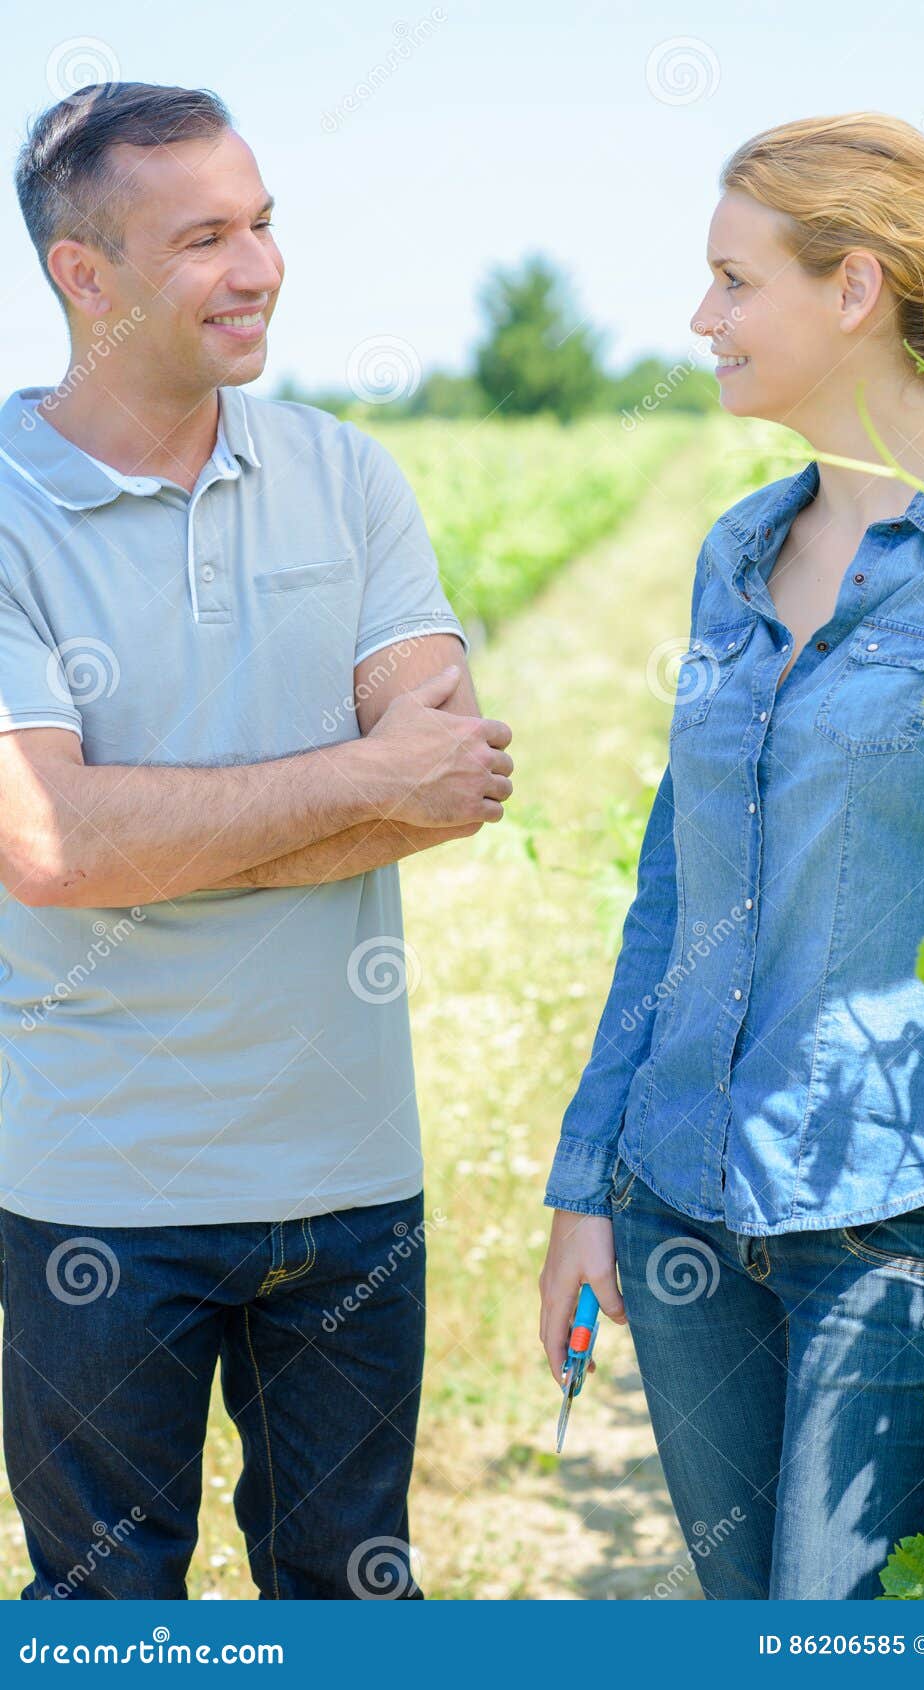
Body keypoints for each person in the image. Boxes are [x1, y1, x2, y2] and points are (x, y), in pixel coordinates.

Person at [538, 111, 924, 1600]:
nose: (700, 321)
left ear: (851, 291)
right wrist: (590, 1184)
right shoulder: (736, 552)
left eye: (730, 281)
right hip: (682, 1208)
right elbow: (673, 888)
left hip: (904, 1213)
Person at [0, 80, 513, 1599]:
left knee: (354, 1591)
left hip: (351, 1175)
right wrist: (356, 781)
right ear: (83, 277)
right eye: (207, 237)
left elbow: (458, 778)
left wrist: (148, 833)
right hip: (95, 1194)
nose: (262, 267)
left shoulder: (349, 475)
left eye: (267, 223)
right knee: (105, 1610)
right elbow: (49, 846)